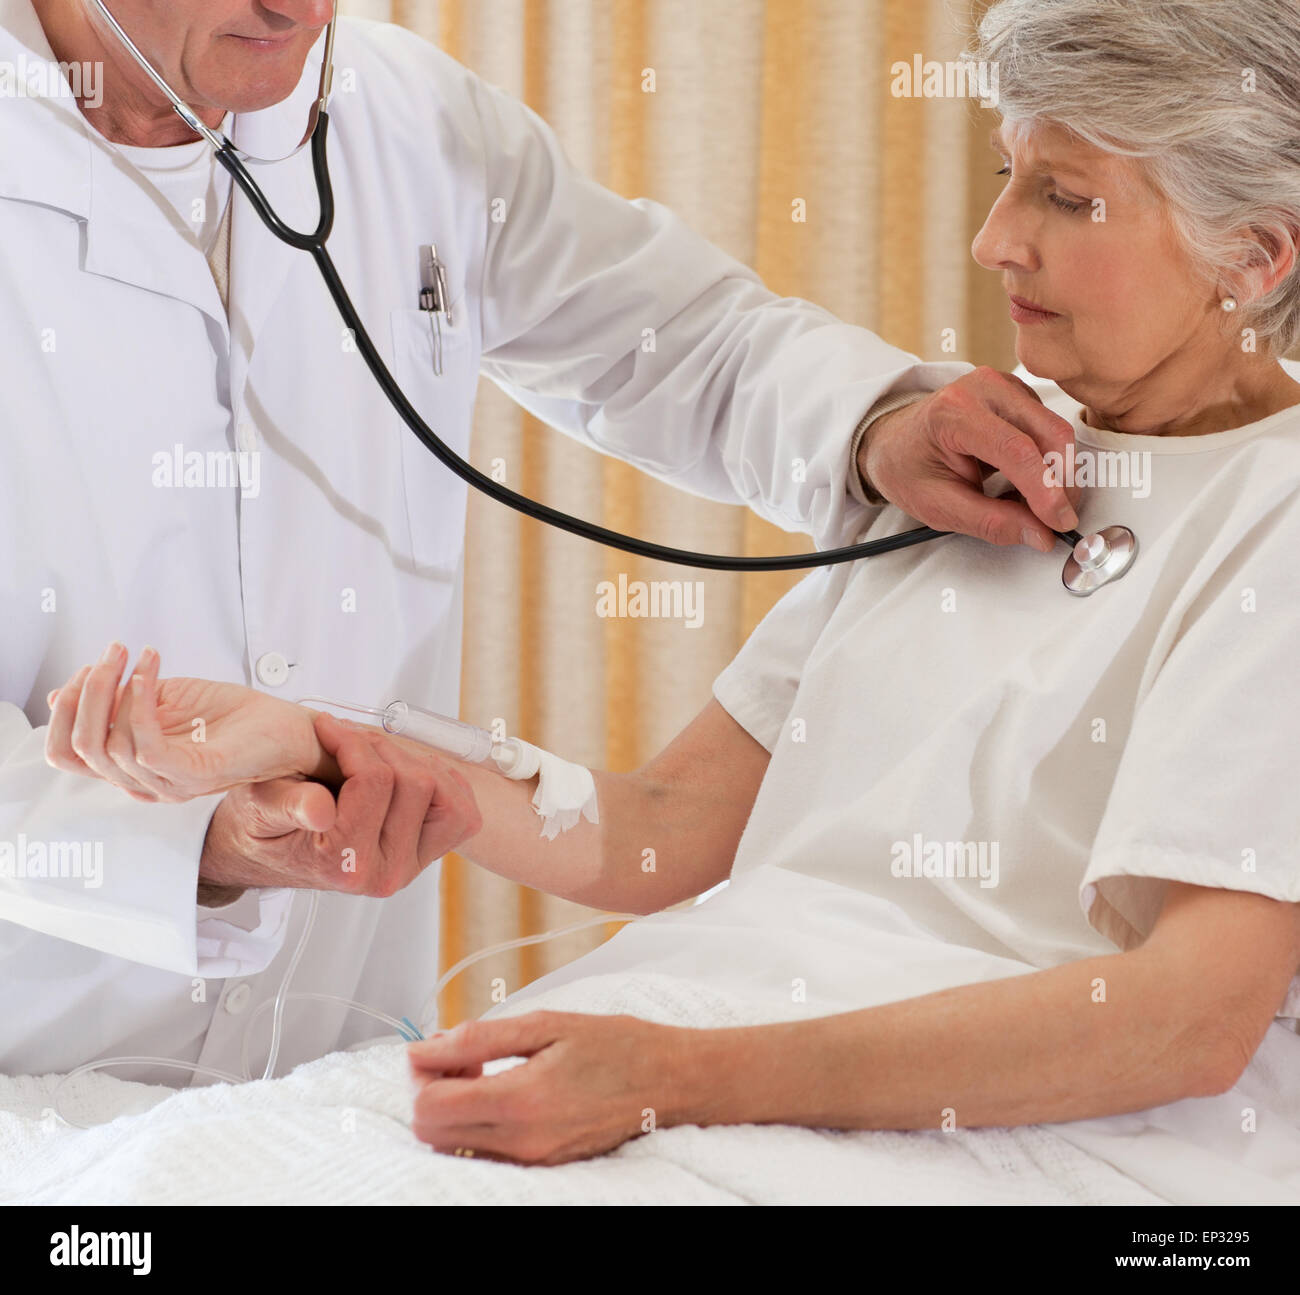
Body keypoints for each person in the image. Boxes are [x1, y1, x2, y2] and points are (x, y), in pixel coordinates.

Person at [45, 0, 1300, 1179]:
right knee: (160, 1177)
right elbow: (657, 831)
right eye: (1004, 175)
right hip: (641, 1036)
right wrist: (327, 748)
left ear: (1252, 254)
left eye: (1066, 196)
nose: (992, 241)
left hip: (831, 1100)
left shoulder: (1210, 506)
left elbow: (1185, 1020)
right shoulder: (989, 472)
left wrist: (680, 1075)